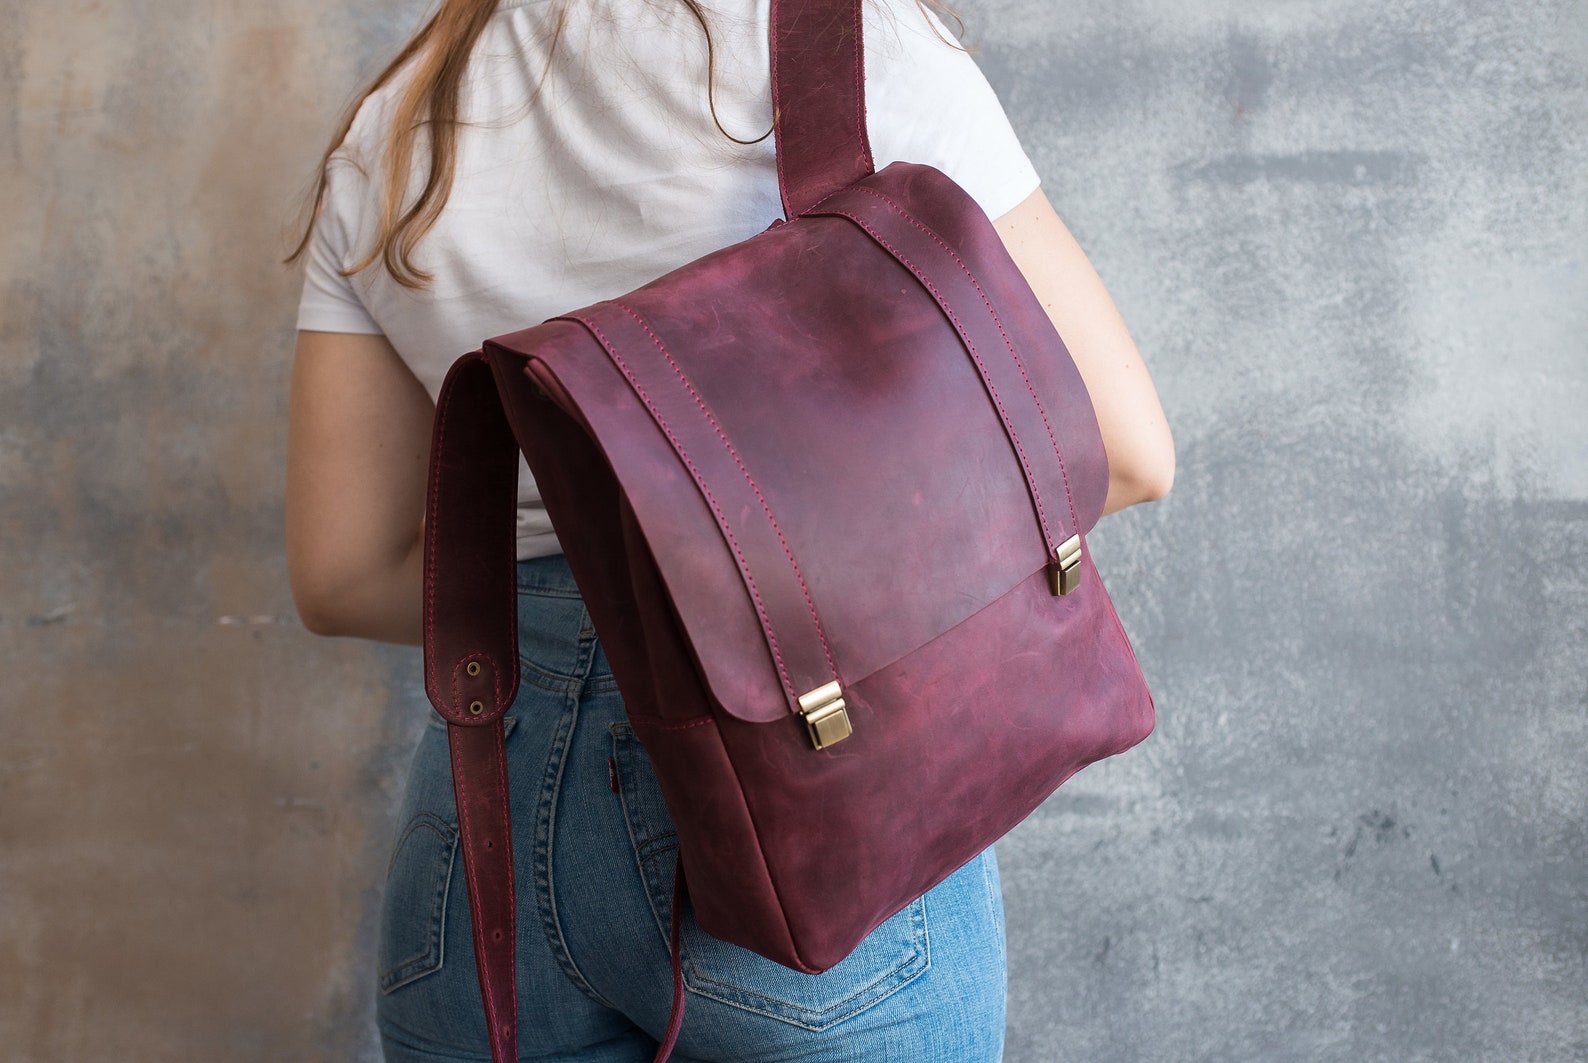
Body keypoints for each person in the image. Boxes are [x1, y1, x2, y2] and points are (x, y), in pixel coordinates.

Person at [285, 0, 1174, 1059]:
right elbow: (1126, 453)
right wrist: (738, 612)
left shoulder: (396, 129)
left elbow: (343, 574)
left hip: (488, 848)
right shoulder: (860, 54)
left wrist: (604, 608)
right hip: (815, 798)